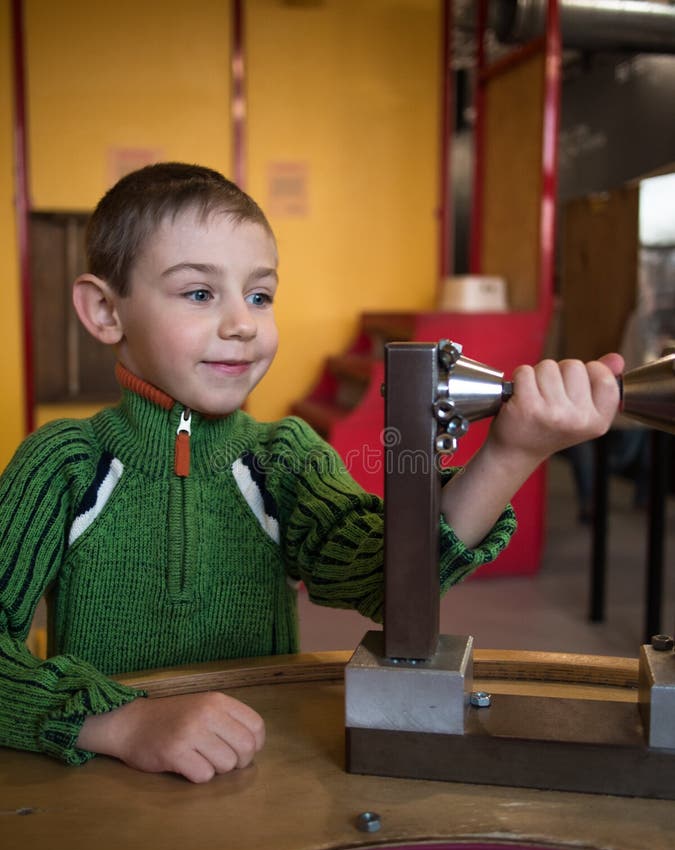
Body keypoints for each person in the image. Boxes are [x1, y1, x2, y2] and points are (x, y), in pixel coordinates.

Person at [0, 163, 624, 783]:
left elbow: (394, 578)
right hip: (96, 789)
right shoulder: (64, 465)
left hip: (251, 780)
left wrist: (512, 453)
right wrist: (123, 723)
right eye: (199, 293)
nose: (243, 323)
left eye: (259, 294)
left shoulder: (285, 458)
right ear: (106, 311)